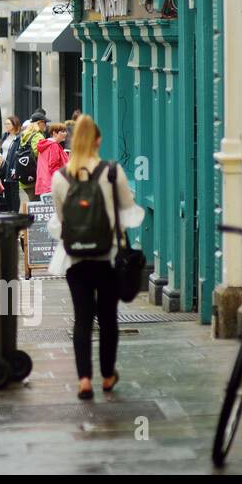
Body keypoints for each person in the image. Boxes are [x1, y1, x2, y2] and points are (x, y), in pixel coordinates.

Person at [48, 115, 143, 400]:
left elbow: (62, 219)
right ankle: (108, 375)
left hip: (75, 259)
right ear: (98, 141)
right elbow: (129, 211)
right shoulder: (112, 172)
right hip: (107, 256)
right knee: (108, 318)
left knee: (82, 319)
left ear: (73, 141)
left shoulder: (61, 177)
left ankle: (84, 380)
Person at [36, 121, 71, 195]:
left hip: (44, 184)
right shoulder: (54, 145)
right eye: (62, 131)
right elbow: (54, 166)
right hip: (53, 185)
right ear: (54, 133)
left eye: (65, 131)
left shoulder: (45, 144)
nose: (65, 133)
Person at [0, 115, 23, 212]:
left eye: (8, 124)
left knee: (14, 191)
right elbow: (2, 150)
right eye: (6, 124)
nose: (6, 126)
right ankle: (9, 210)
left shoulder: (19, 137)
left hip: (13, 166)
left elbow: (18, 153)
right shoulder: (5, 135)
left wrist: (16, 168)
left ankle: (15, 212)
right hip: (3, 166)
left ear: (14, 124)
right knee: (6, 189)